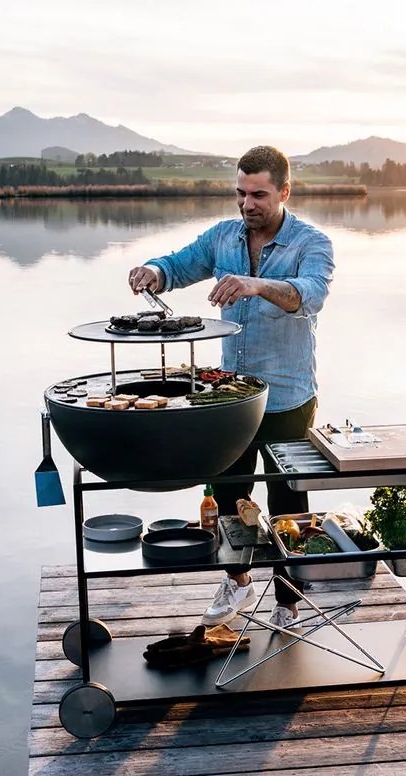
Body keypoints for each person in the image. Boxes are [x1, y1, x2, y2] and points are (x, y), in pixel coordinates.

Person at [128, 145, 334, 631]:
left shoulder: (312, 243)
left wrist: (256, 284)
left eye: (259, 194)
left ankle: (288, 597)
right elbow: (179, 264)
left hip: (288, 397)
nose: (247, 204)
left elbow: (310, 295)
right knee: (226, 494)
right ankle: (237, 579)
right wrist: (154, 271)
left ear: (284, 191)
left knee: (288, 499)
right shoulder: (223, 237)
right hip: (232, 396)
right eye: (241, 193)